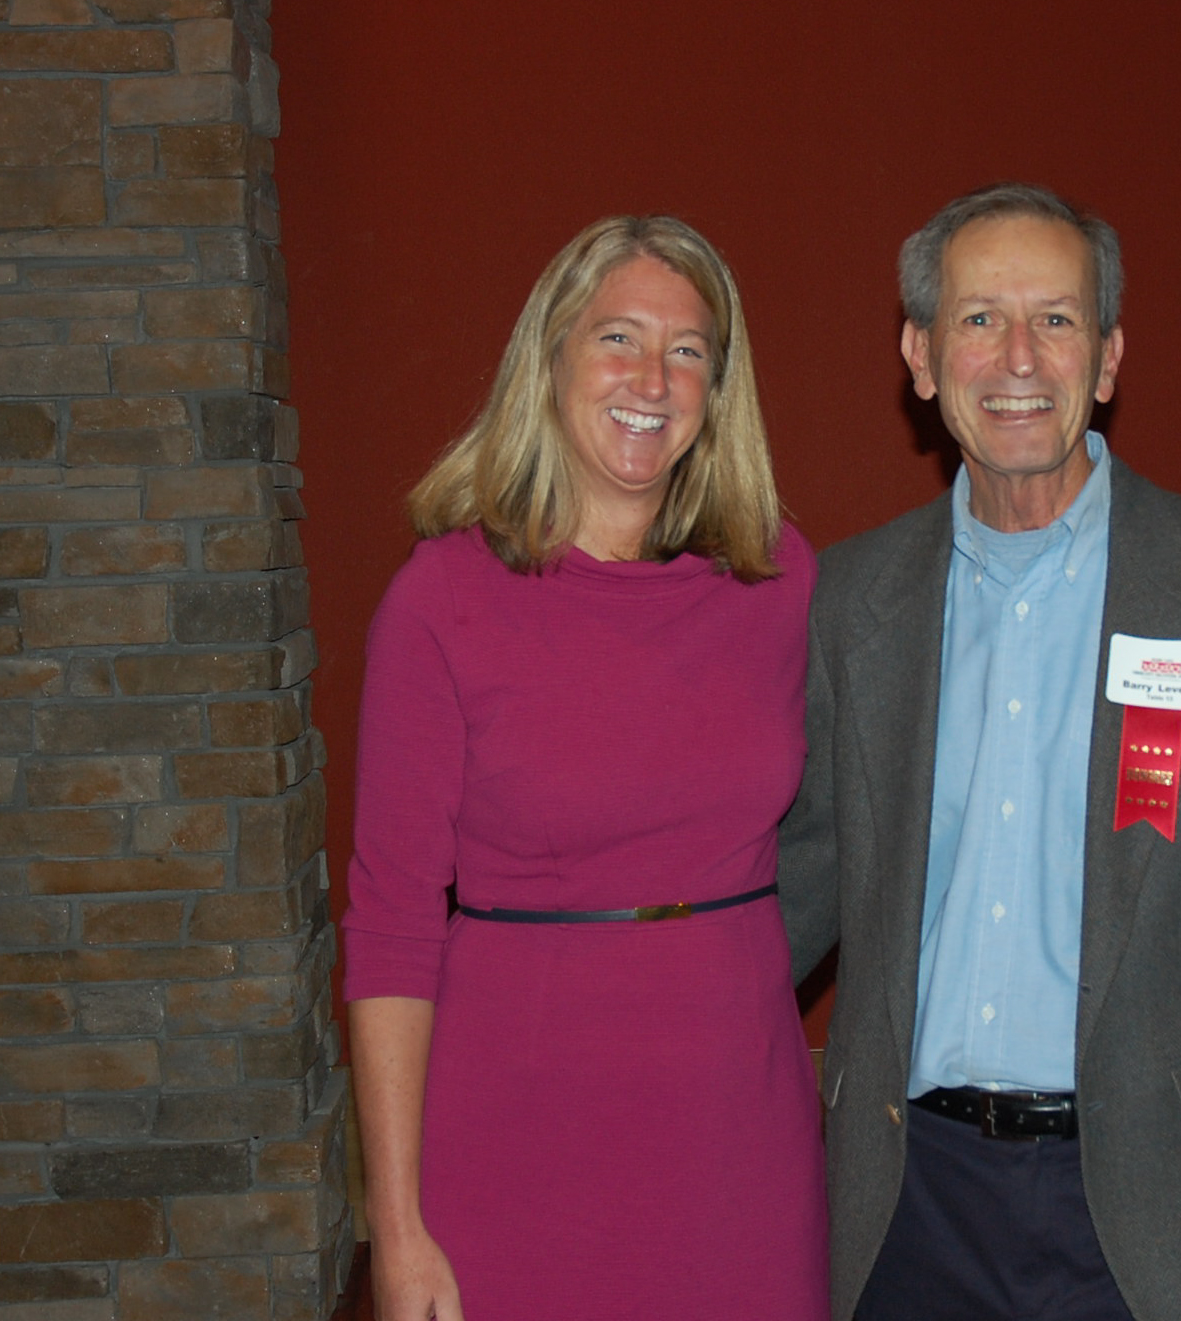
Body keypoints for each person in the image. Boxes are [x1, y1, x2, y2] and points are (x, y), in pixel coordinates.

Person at [778, 183, 1181, 1321]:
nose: (1016, 358)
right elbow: (793, 888)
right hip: (908, 1203)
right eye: (977, 318)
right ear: (918, 353)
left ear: (1104, 359)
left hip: (1160, 1211)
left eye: (1055, 320)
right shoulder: (849, 603)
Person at [343, 215, 828, 1321]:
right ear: (550, 357)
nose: (651, 377)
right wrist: (400, 1225)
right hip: (515, 1138)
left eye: (689, 350)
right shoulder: (441, 601)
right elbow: (390, 924)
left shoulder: (777, 582)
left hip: (738, 1141)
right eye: (617, 337)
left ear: (718, 387)